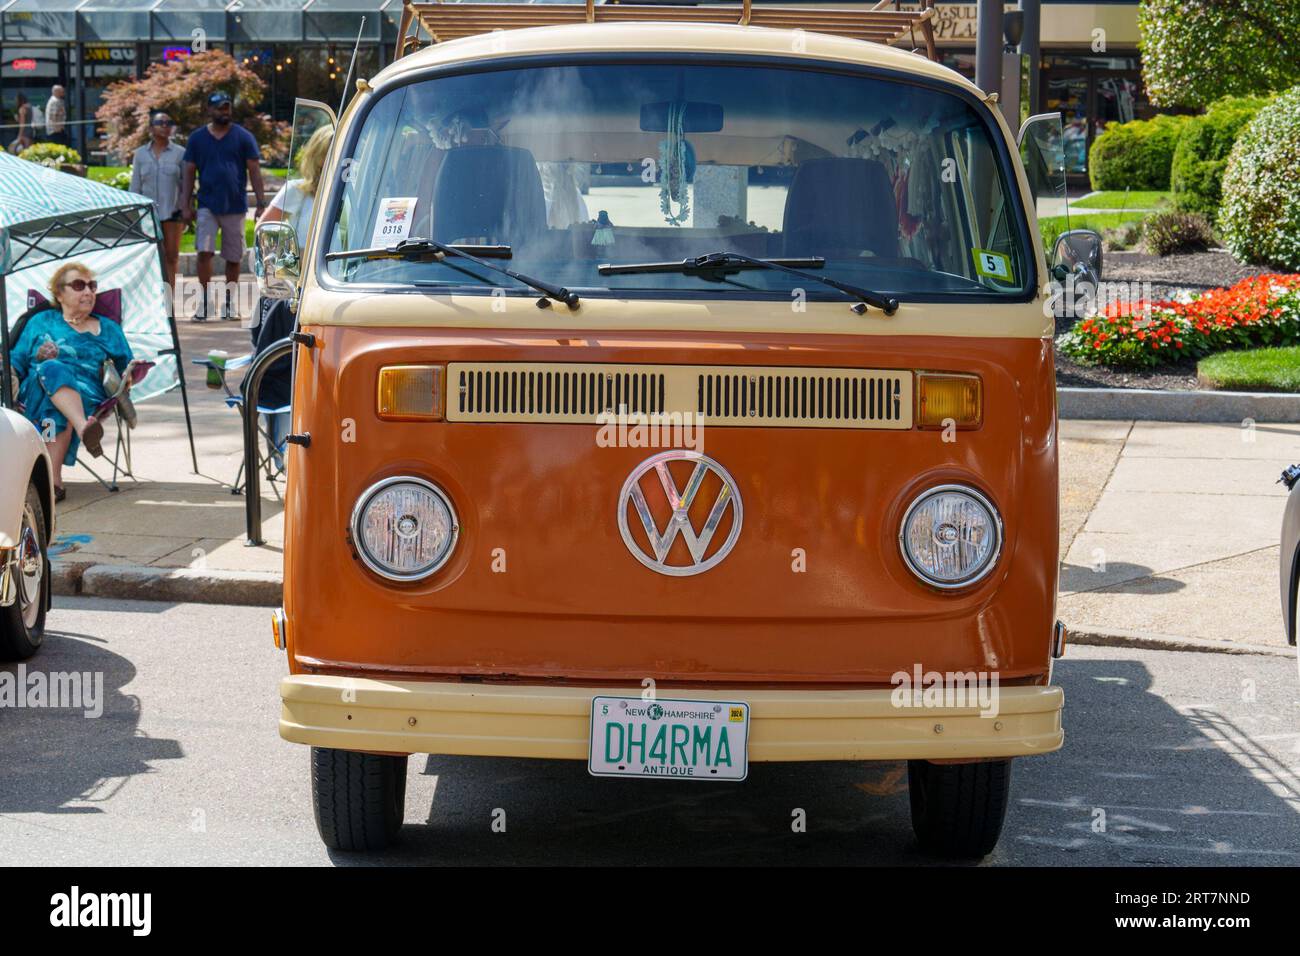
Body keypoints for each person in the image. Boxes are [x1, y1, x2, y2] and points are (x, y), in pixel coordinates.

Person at [9, 263, 135, 501]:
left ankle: (51, 482)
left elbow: (127, 367)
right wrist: (38, 357)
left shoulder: (108, 328)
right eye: (79, 285)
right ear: (59, 294)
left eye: (92, 286)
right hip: (37, 386)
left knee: (51, 404)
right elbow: (15, 362)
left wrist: (130, 374)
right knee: (50, 370)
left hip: (86, 394)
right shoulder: (40, 321)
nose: (88, 291)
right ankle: (82, 428)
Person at [179, 91, 266, 322]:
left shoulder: (243, 137)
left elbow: (254, 170)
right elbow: (189, 172)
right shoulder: (197, 138)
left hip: (235, 205)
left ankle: (229, 303)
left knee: (233, 256)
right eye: (219, 108)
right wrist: (185, 204)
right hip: (207, 204)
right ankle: (205, 302)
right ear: (209, 110)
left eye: (227, 107)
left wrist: (261, 203)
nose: (224, 111)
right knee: (203, 252)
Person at [130, 112, 185, 291]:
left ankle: (169, 297)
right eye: (160, 122)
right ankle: (153, 296)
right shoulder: (140, 154)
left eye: (169, 122)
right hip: (147, 214)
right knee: (151, 257)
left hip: (172, 213)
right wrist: (133, 214)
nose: (165, 126)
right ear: (151, 127)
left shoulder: (180, 153)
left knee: (171, 257)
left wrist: (185, 208)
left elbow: (186, 184)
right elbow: (135, 186)